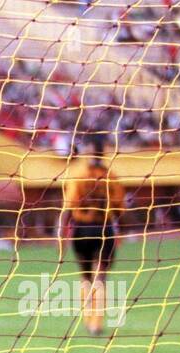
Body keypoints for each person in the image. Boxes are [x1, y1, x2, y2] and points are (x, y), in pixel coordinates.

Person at [58, 136, 125, 335]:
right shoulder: (111, 177)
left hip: (81, 229)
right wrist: (120, 230)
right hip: (104, 228)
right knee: (101, 275)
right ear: (103, 152)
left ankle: (88, 318)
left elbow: (68, 207)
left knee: (85, 275)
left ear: (87, 152)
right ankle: (96, 322)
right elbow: (119, 209)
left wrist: (61, 233)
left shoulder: (78, 176)